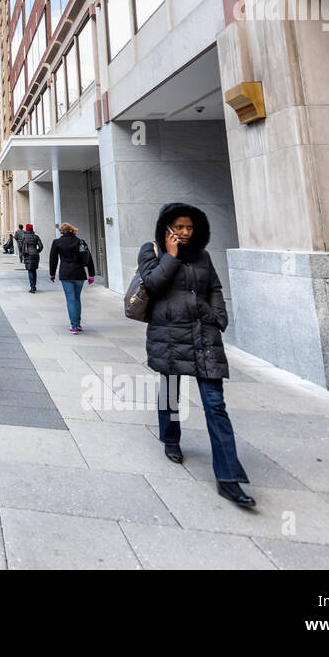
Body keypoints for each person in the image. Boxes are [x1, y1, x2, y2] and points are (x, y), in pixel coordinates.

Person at [137, 202, 255, 509]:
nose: (185, 232)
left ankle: (228, 478)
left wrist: (218, 315)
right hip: (170, 334)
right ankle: (171, 438)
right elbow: (152, 284)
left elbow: (214, 287)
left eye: (189, 227)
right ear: (167, 229)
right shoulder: (151, 251)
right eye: (179, 227)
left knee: (215, 405)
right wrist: (172, 257)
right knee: (170, 392)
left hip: (204, 334)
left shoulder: (203, 256)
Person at [49, 222, 95, 333]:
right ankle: (77, 323)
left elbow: (53, 259)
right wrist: (91, 274)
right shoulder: (80, 242)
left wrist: (52, 273)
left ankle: (74, 326)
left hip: (66, 273)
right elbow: (89, 258)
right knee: (77, 298)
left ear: (61, 231)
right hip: (79, 273)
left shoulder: (57, 242)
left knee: (70, 299)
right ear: (73, 230)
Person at [17, 223, 43, 292]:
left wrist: (22, 253)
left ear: (26, 229)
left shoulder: (23, 236)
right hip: (35, 254)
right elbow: (41, 246)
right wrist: (37, 251)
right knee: (34, 270)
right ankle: (34, 286)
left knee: (30, 270)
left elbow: (20, 246)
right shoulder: (36, 236)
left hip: (27, 254)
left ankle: (32, 287)